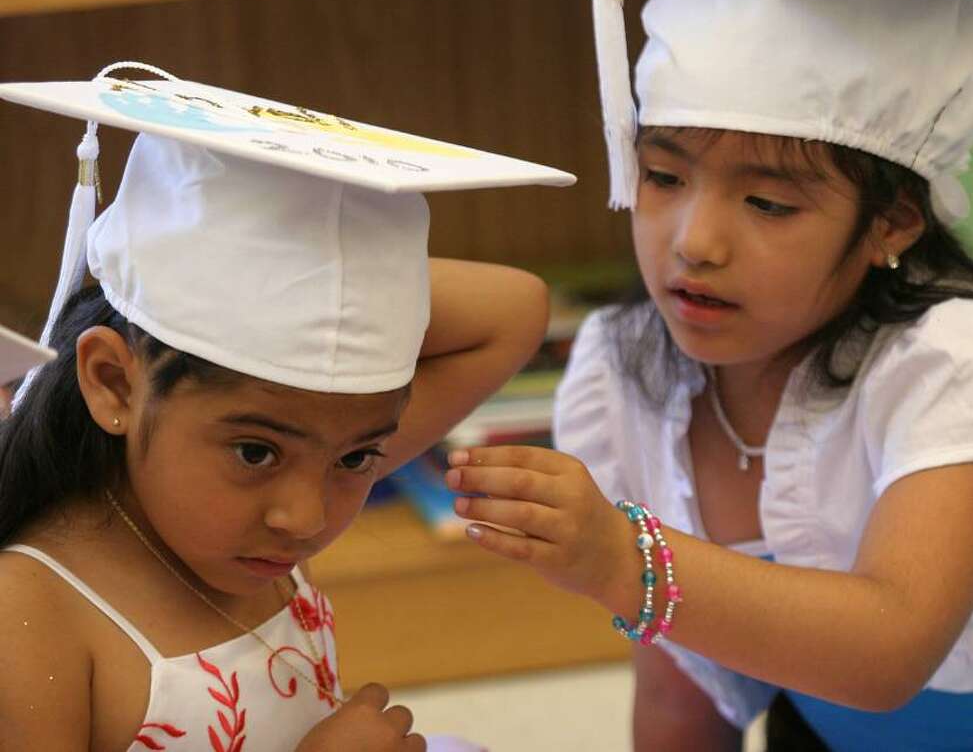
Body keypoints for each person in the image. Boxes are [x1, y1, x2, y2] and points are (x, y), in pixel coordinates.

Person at [443, 0, 973, 749]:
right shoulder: (625, 370)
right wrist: (631, 568)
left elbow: (887, 650)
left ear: (893, 224)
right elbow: (683, 695)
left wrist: (622, 557)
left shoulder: (954, 358)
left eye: (768, 202)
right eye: (663, 175)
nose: (695, 243)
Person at [0, 65, 573, 751]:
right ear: (114, 383)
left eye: (360, 457)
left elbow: (514, 310)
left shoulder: (270, 488)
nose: (306, 517)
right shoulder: (33, 612)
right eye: (254, 452)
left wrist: (349, 286)